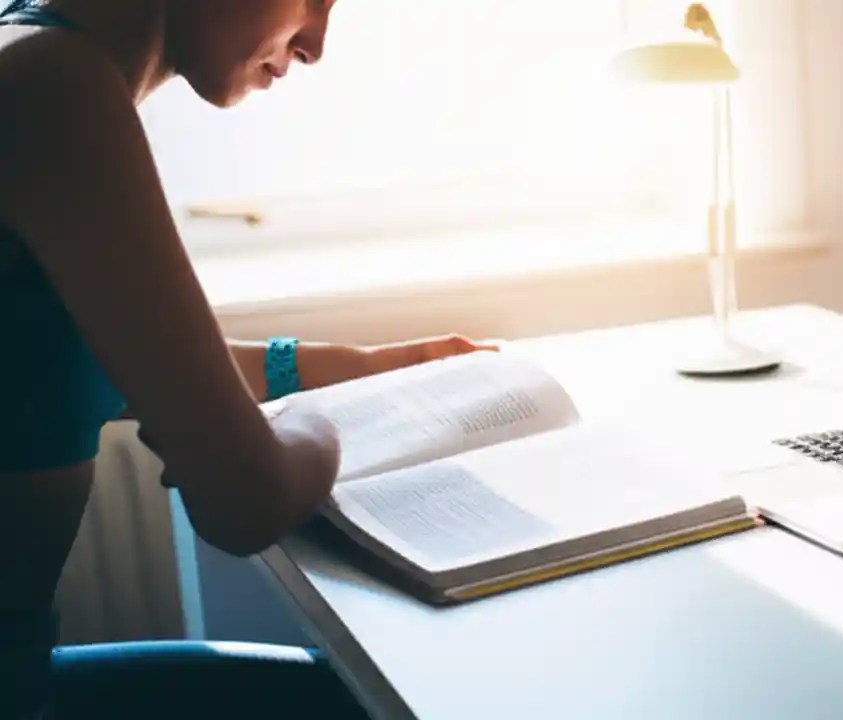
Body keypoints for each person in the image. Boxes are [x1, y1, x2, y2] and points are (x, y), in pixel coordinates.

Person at [0, 1, 494, 716]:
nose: (317, 44)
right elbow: (248, 501)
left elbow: (106, 357)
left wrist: (373, 366)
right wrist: (332, 423)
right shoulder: (56, 91)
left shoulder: (31, 54)